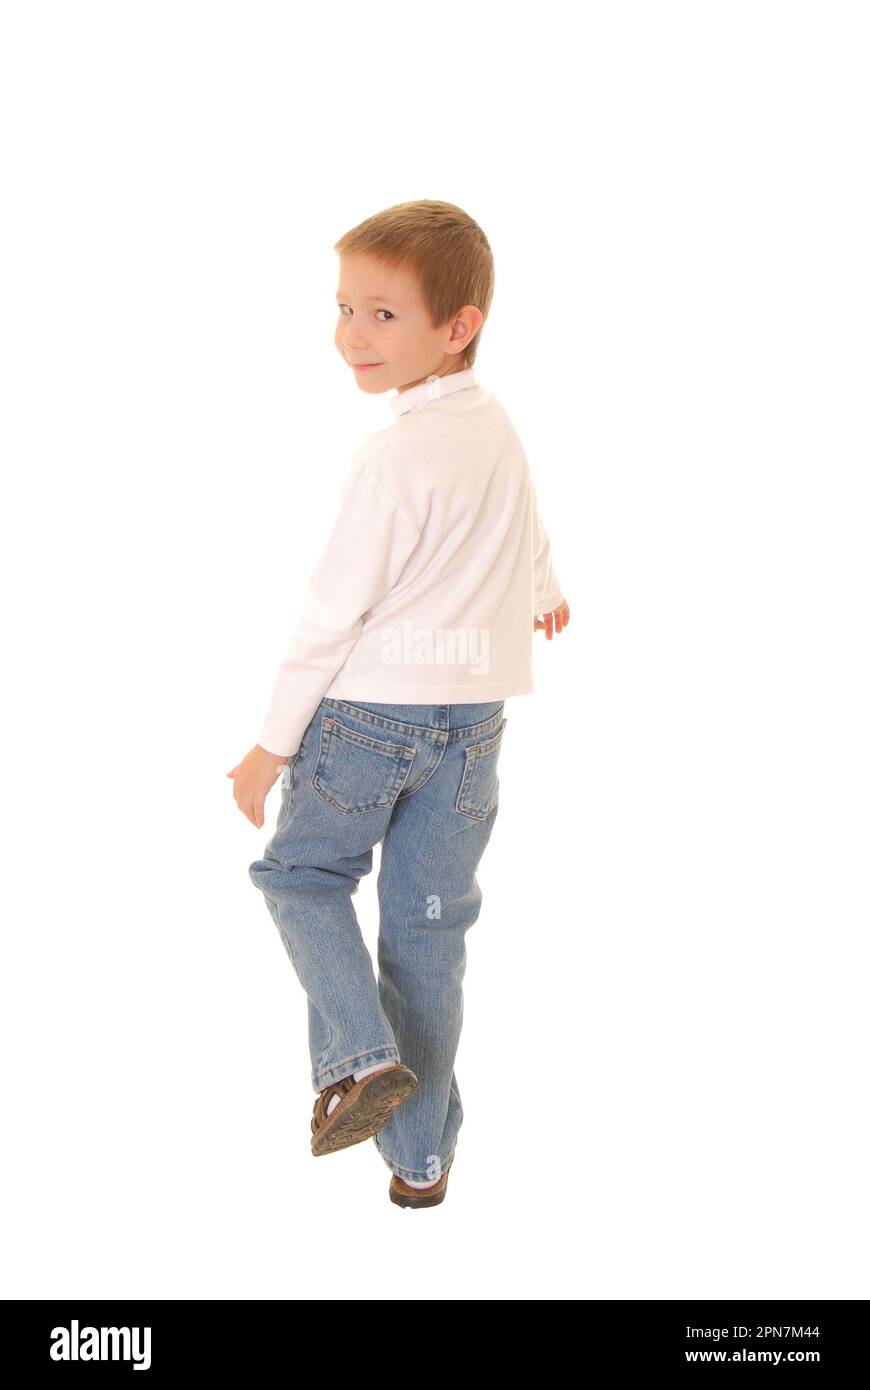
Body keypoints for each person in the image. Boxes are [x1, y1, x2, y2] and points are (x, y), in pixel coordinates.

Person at [227, 199, 569, 1209]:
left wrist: (268, 747)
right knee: (428, 933)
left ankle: (364, 1063)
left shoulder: (390, 456)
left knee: (300, 874)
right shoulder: (491, 423)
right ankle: (420, 1164)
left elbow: (330, 618)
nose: (351, 336)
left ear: (457, 325)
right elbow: (522, 519)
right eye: (342, 308)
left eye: (382, 315)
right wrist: (544, 592)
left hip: (369, 719)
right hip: (473, 722)